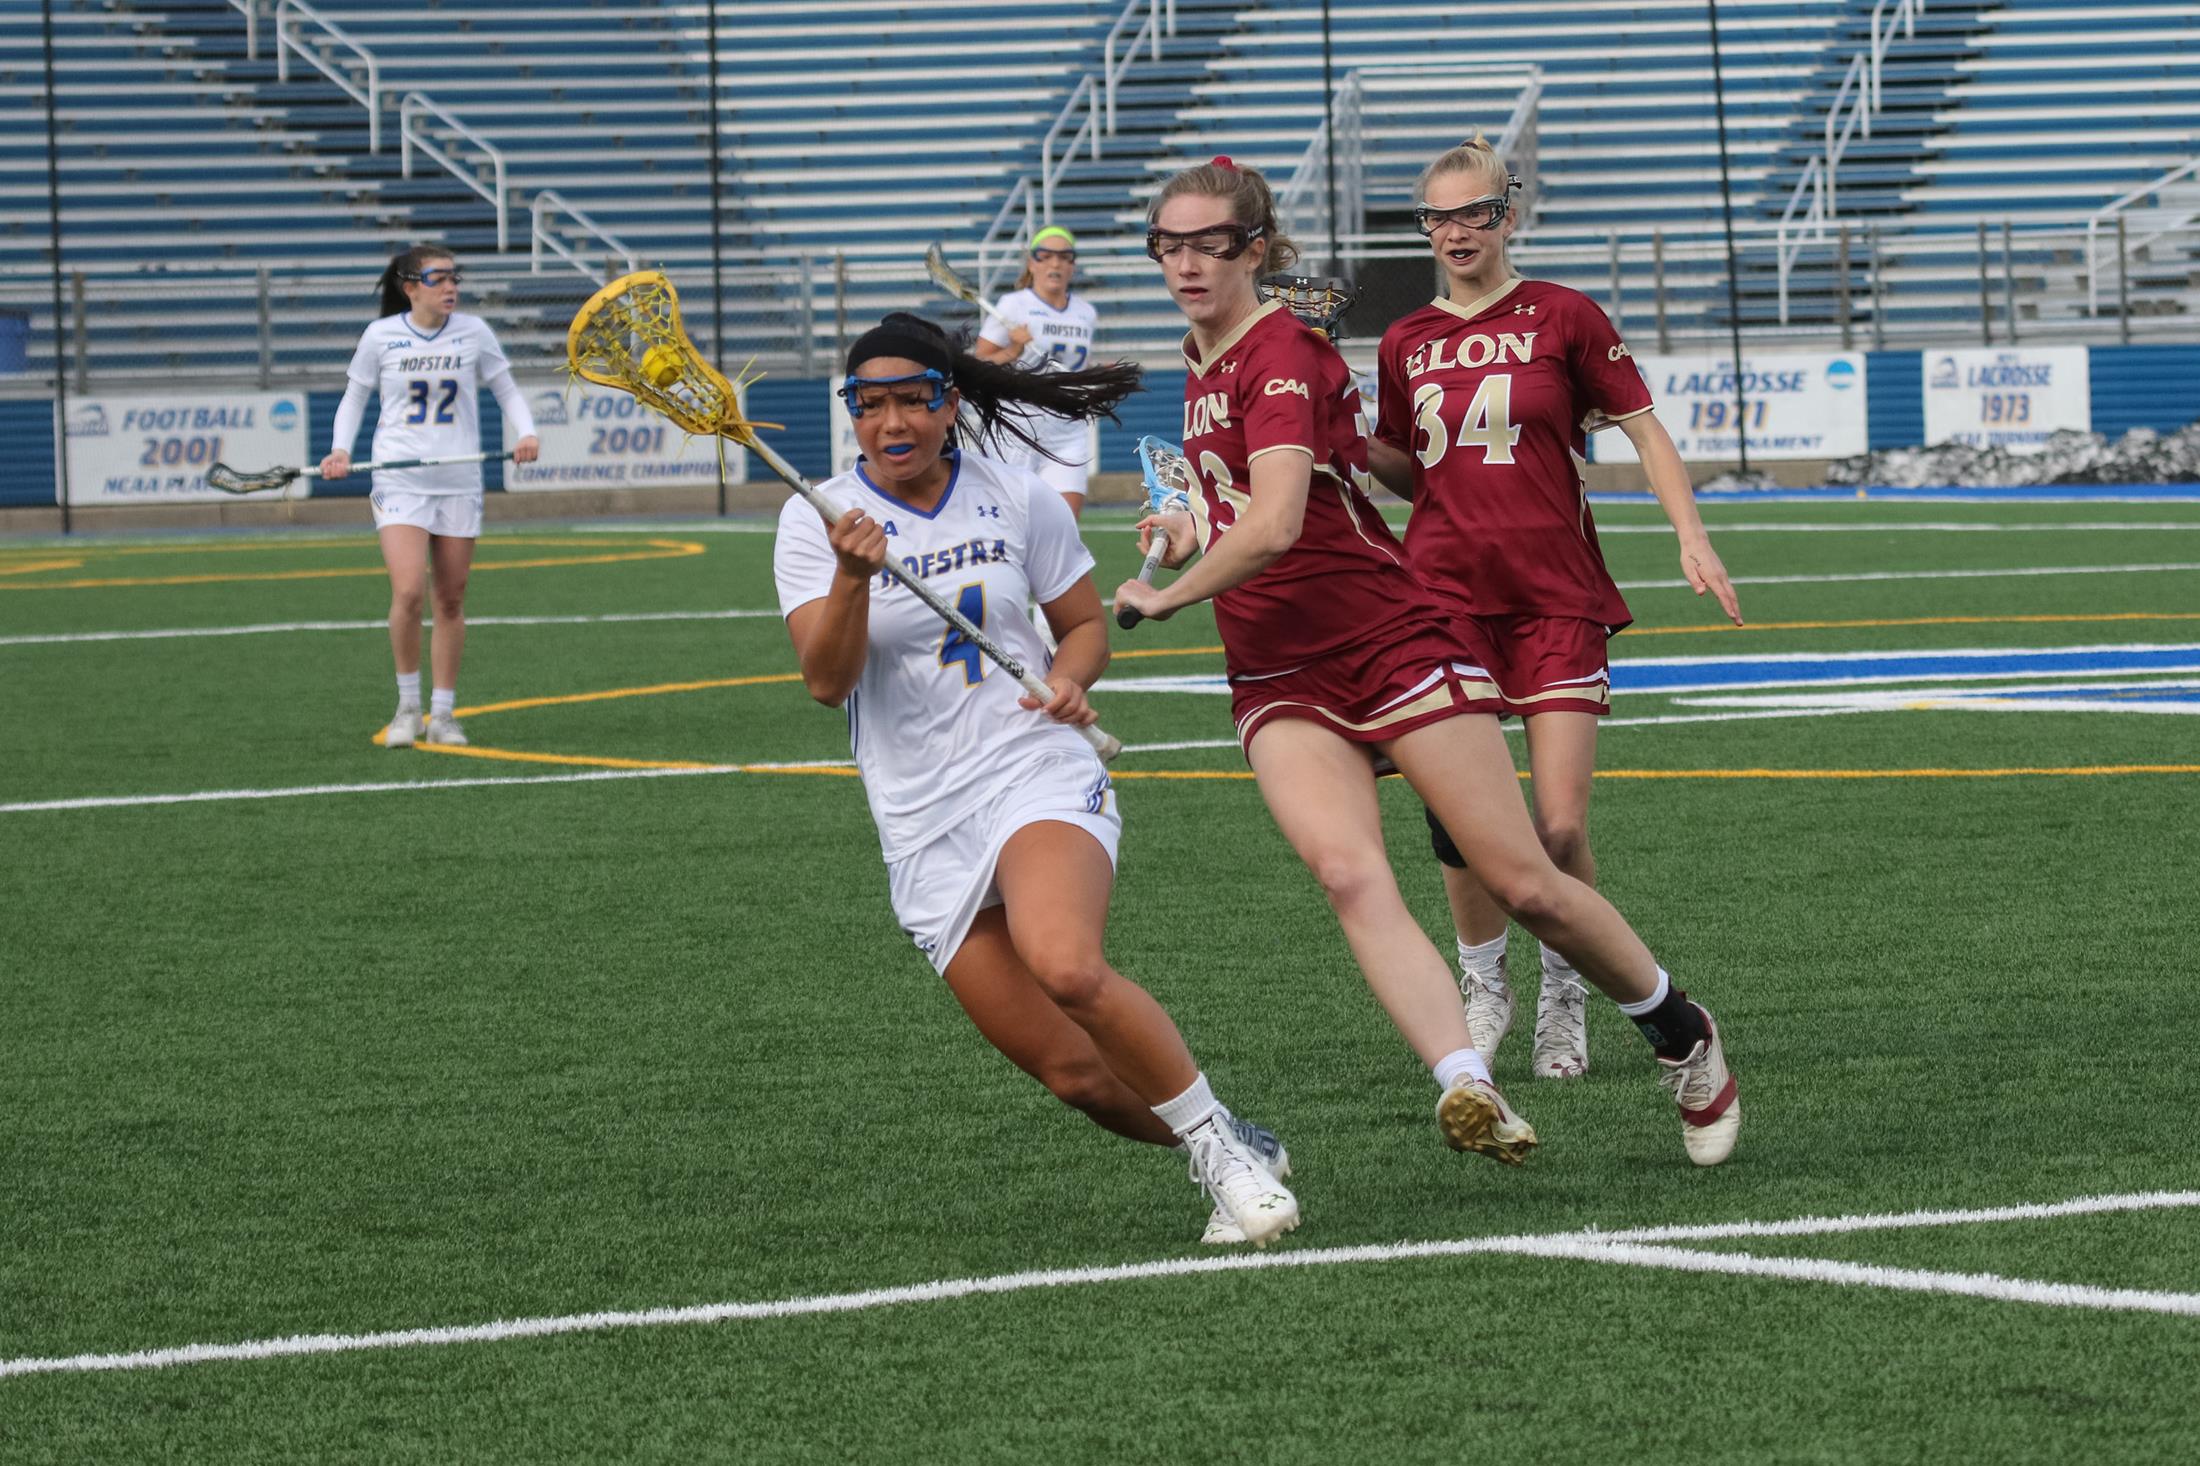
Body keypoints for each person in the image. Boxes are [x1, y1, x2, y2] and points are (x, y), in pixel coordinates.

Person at [1115, 158, 1741, 1167]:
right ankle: (1467, 1079)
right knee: (1349, 873)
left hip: (1388, 637)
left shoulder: (1282, 353)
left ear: (1258, 250)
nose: (1187, 264)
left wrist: (1163, 591)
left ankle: (1680, 1030)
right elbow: (1262, 498)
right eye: (1168, 245)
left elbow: (1276, 525)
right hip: (1277, 666)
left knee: (1527, 875)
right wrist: (1192, 525)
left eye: (1211, 245)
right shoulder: (1203, 360)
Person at [773, 312, 1301, 1245]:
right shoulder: (813, 520)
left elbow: (1085, 629)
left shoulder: (1018, 497)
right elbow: (826, 681)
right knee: (1079, 1078)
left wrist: (1067, 681)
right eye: (870, 405)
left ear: (951, 402)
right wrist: (853, 579)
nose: (892, 424)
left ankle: (1222, 1159)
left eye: (914, 400)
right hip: (920, 817)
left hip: (1033, 768)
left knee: (1065, 963)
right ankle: (1228, 1137)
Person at [1366, 136, 1742, 1085]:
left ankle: (1564, 989)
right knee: (1461, 816)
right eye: (1437, 217)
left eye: (1474, 212)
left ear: (1508, 214)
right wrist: (1342, 436)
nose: (1455, 231)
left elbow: (1645, 432)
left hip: (1556, 595)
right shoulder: (1405, 338)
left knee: (1560, 827)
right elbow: (1416, 473)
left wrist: (1689, 536)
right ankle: (1483, 982)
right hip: (1445, 593)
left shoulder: (1566, 315)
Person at [320, 244, 540, 749]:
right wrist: (338, 450)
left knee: (450, 598)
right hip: (400, 478)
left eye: (455, 278)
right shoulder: (381, 336)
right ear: (410, 286)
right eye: (439, 279)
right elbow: (354, 397)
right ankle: (407, 708)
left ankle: (443, 715)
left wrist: (525, 433)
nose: (451, 288)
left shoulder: (474, 332)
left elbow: (506, 389)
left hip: (458, 480)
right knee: (408, 592)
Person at [971, 226, 1100, 517]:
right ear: (1032, 263)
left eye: (1064, 257)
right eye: (1046, 256)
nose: (1055, 264)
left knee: (1064, 526)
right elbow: (979, 365)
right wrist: (1012, 351)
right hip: (1017, 426)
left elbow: (1076, 369)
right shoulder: (1013, 305)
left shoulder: (1086, 312)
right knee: (1010, 522)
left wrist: (1097, 379)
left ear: (1072, 265)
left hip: (1067, 427)